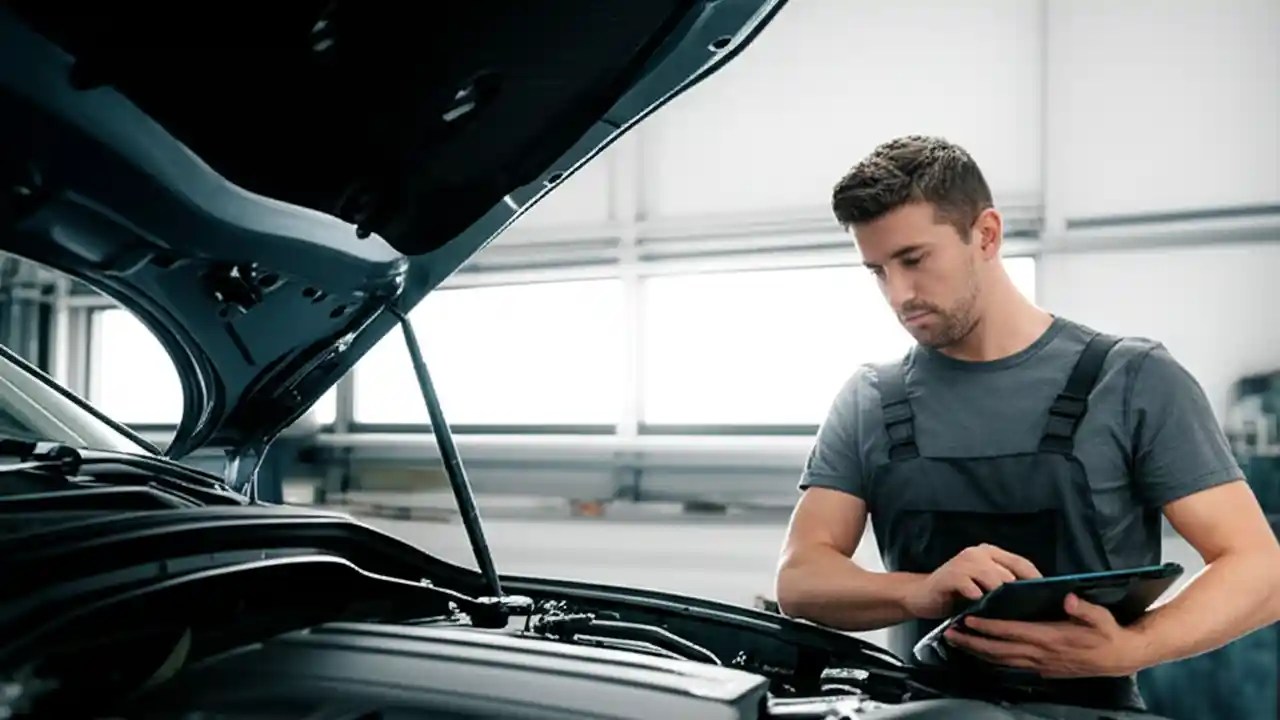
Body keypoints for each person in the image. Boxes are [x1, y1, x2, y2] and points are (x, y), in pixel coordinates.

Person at [773, 134, 1280, 711]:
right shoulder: (870, 399)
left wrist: (1130, 647)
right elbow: (801, 577)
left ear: (985, 234)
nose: (899, 294)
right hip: (926, 712)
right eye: (877, 271)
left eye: (914, 260)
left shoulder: (1133, 380)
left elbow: (1260, 570)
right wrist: (920, 591)